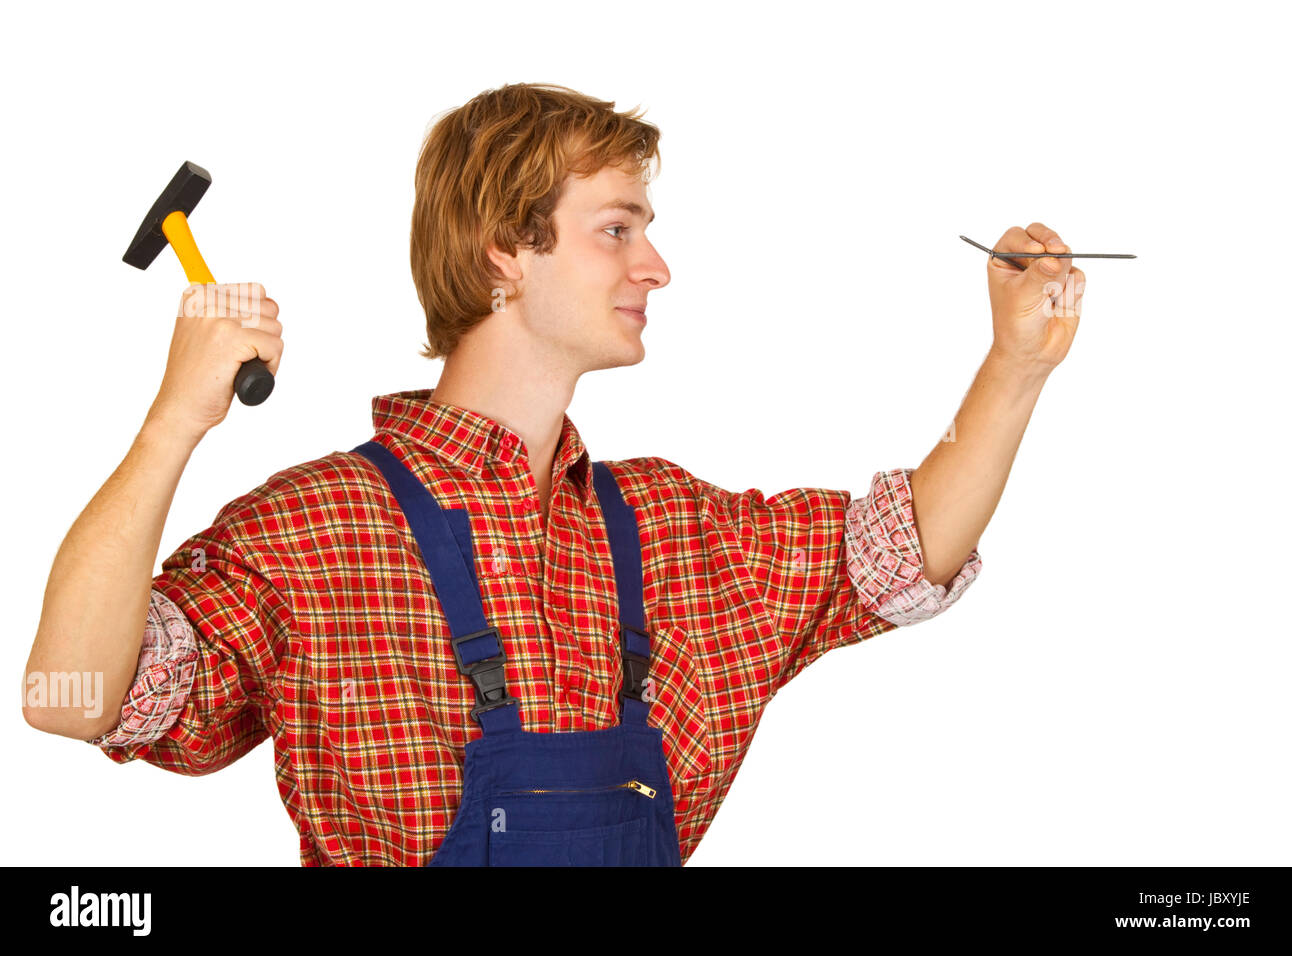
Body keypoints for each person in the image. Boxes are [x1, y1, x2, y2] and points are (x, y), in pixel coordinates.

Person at [22, 82, 1083, 866]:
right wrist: (173, 420)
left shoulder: (673, 531)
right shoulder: (317, 532)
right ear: (501, 254)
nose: (655, 266)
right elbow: (69, 697)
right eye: (615, 230)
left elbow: (899, 551)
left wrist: (1016, 362)